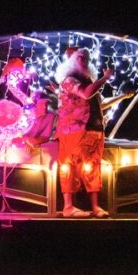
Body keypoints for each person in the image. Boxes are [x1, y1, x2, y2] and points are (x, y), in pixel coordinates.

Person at [51, 48, 113, 217]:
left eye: (87, 57)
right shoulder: (68, 80)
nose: (84, 60)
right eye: (80, 57)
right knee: (69, 165)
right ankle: (68, 207)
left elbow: (94, 100)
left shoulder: (89, 80)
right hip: (73, 129)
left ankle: (95, 206)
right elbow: (85, 94)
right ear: (71, 60)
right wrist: (105, 78)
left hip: (94, 128)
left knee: (93, 166)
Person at [21, 97, 58, 164]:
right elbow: (15, 132)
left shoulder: (50, 117)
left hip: (36, 149)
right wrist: (26, 139)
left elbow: (46, 136)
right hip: (19, 147)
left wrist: (35, 141)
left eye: (45, 104)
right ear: (34, 105)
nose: (44, 107)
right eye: (41, 104)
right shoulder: (23, 114)